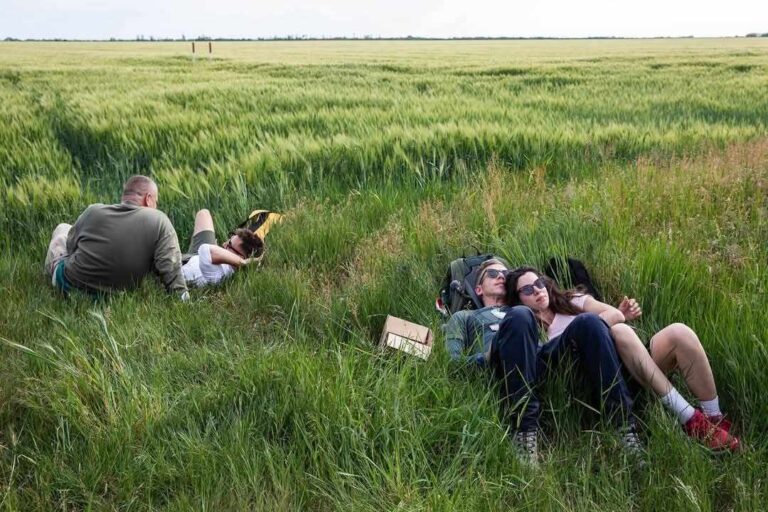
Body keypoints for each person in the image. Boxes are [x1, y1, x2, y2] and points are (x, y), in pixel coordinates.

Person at [505, 266, 740, 452]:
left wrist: (588, 330)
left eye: (539, 283)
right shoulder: (528, 330)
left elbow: (616, 314)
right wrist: (579, 336)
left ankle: (713, 418)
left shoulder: (572, 301)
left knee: (678, 332)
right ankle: (690, 419)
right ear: (518, 299)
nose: (537, 290)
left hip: (628, 362)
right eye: (528, 290)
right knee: (619, 331)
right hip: (596, 382)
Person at [444, 259, 639, 465]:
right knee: (520, 315)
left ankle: (624, 427)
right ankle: (524, 432)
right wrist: (487, 355)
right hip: (498, 364)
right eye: (492, 274)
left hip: (539, 362)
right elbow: (454, 363)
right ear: (478, 289)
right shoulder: (464, 317)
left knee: (588, 321)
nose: (501, 276)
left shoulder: (524, 308)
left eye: (505, 274)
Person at [44, 175, 188, 300]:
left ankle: (49, 274)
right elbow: (170, 265)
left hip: (70, 287)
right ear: (148, 199)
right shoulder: (159, 220)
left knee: (63, 228)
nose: (156, 206)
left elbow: (71, 247)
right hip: (121, 296)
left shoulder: (92, 211)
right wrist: (182, 296)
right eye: (156, 201)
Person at [180, 209, 264, 287]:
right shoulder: (219, 258)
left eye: (229, 245)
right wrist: (217, 249)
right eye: (229, 240)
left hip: (182, 263)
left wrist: (243, 263)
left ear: (241, 257)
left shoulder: (220, 273)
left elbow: (204, 249)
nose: (223, 244)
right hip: (201, 256)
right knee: (204, 214)